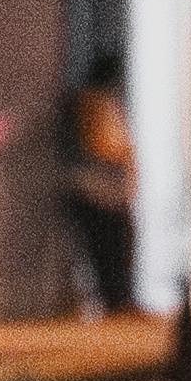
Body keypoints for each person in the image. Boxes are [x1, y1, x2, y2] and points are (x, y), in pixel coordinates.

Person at [57, 40, 139, 315]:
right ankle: (114, 300)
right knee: (108, 250)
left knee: (114, 250)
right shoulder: (92, 103)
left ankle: (118, 299)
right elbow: (97, 143)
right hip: (97, 192)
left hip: (107, 192)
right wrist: (122, 153)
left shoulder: (100, 102)